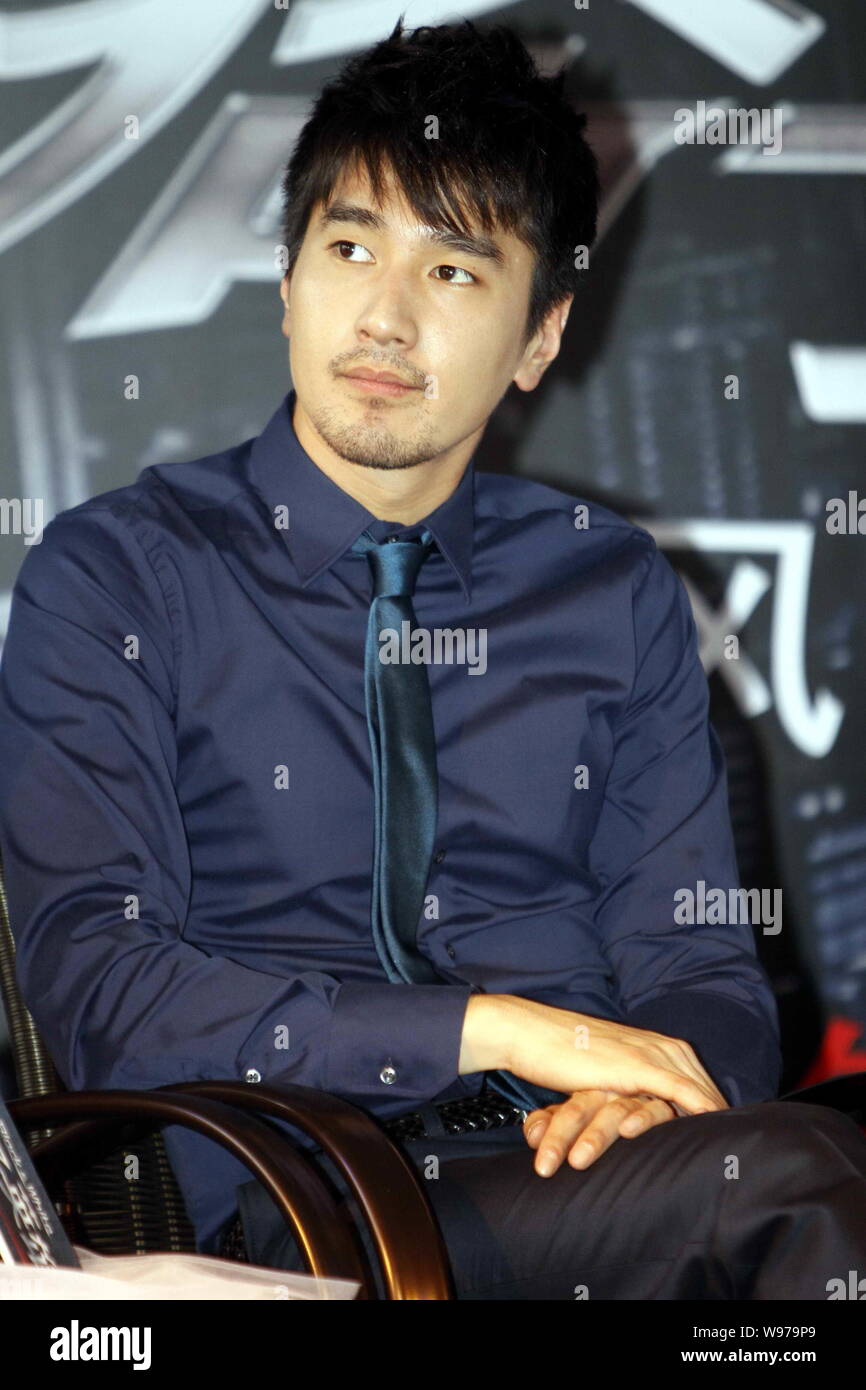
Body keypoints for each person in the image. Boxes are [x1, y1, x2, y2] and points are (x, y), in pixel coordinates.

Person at [1, 17, 865, 1301]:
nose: (386, 317)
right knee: (799, 1188)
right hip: (300, 1187)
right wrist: (513, 1030)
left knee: (788, 1171)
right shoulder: (119, 573)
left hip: (585, 1169)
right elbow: (103, 983)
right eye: (350, 248)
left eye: (456, 272)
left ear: (538, 336)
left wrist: (648, 1088)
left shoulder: (607, 583)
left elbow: (694, 961)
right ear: (289, 281)